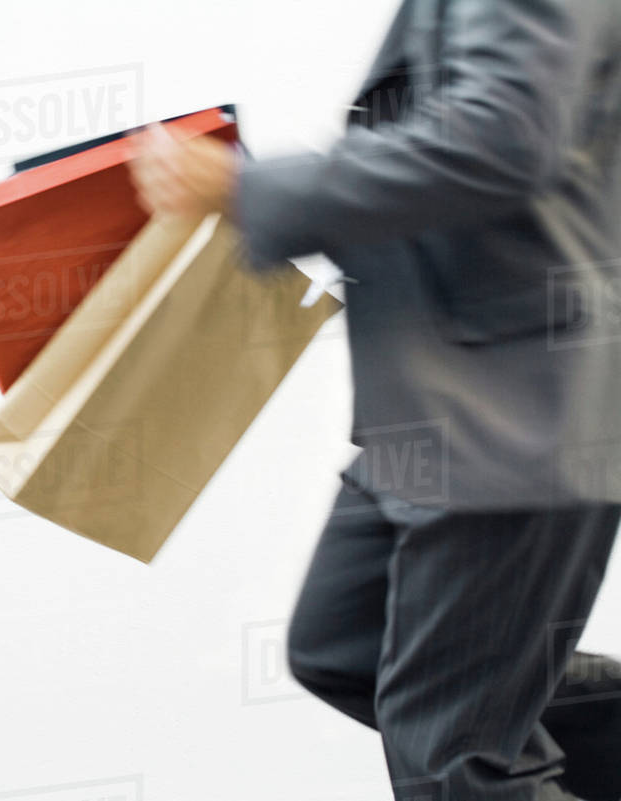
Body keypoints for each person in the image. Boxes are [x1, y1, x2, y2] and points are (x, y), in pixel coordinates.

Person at [128, 1, 621, 799]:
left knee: (455, 760)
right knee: (346, 644)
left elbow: (500, 141)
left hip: (507, 414)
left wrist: (253, 191)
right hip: (443, 402)